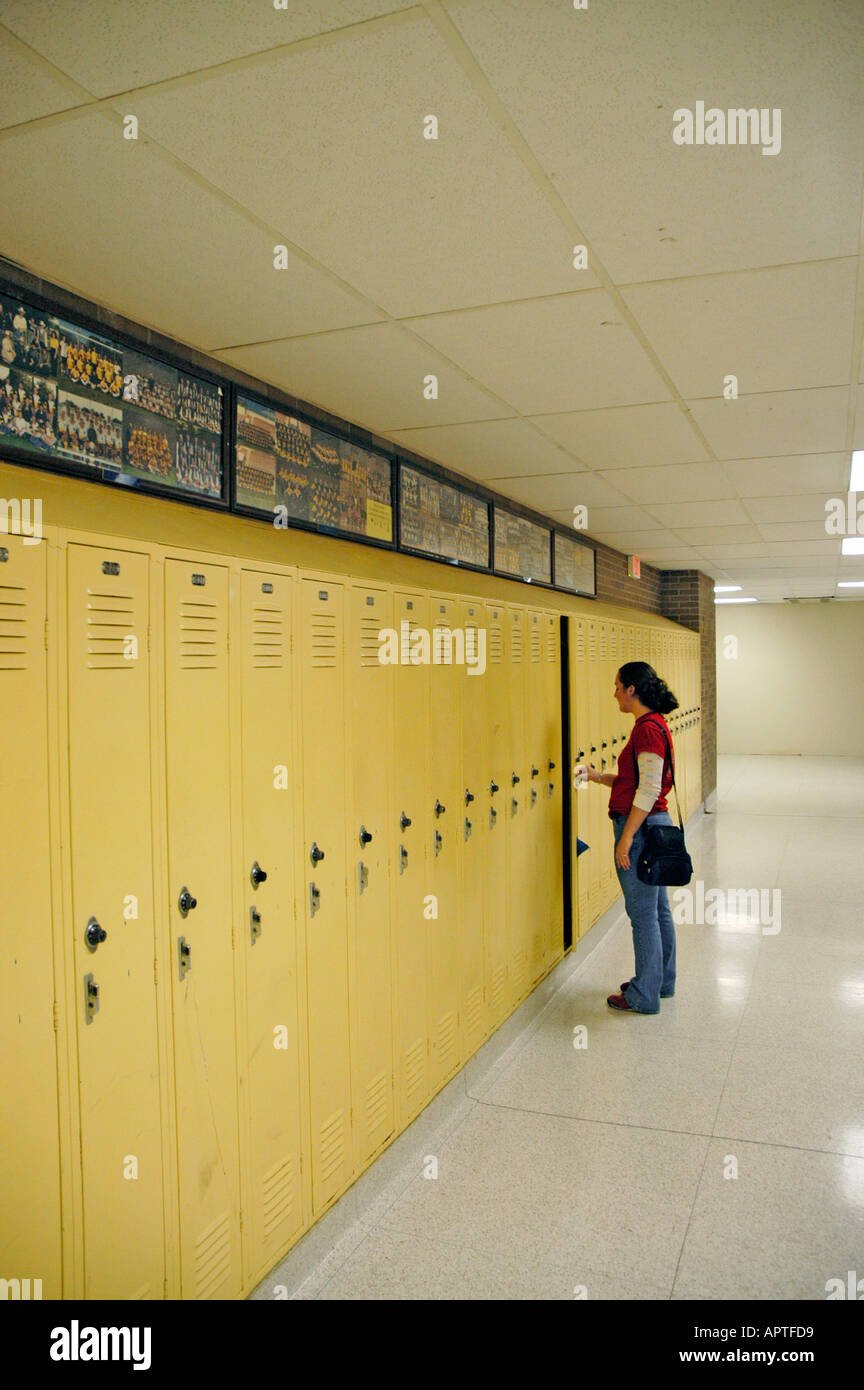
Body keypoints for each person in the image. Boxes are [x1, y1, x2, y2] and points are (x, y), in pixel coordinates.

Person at [580, 661, 680, 1014]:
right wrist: (596, 776)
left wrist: (626, 839)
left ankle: (643, 995)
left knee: (643, 913)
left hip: (642, 829)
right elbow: (634, 781)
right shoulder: (651, 725)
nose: (615, 693)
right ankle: (660, 981)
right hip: (653, 825)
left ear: (632, 690)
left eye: (618, 686)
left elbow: (649, 788)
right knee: (657, 910)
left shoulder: (648, 730)